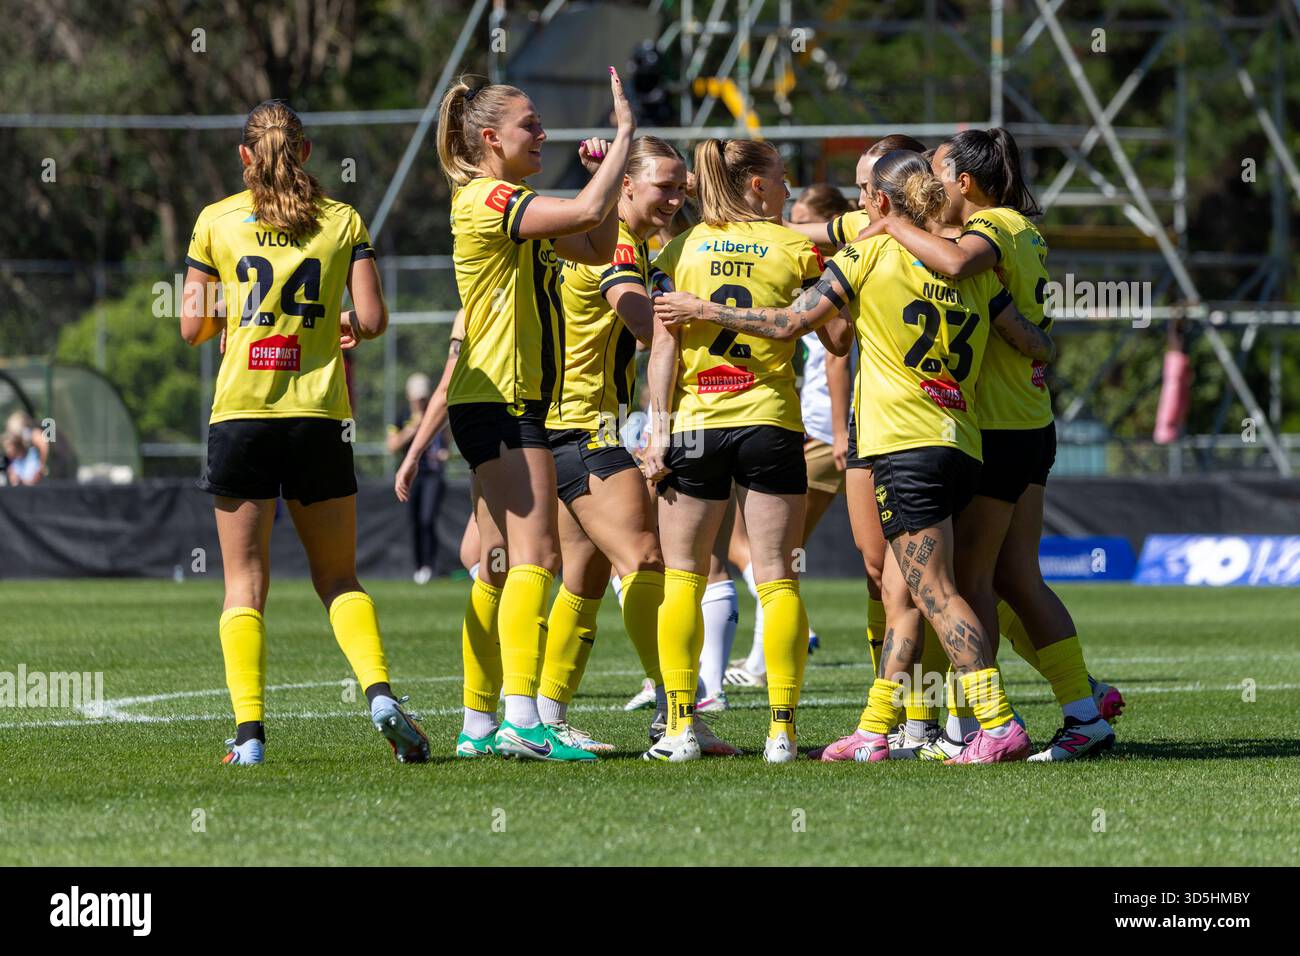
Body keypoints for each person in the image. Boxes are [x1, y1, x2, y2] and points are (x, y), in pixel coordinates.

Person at [655, 149, 1055, 764]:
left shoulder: (867, 255)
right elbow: (1034, 342)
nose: (860, 204)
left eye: (867, 195)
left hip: (901, 444)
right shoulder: (973, 268)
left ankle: (996, 721)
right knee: (902, 594)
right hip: (962, 441)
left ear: (884, 202)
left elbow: (792, 325)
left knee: (936, 592)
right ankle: (877, 728)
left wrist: (703, 309)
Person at [181, 98, 428, 766]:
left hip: (241, 416)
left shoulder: (215, 221)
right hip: (320, 419)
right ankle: (380, 695)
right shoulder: (342, 219)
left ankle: (249, 737)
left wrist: (237, 317)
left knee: (244, 585)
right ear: (307, 152)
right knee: (340, 578)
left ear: (244, 155)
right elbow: (371, 320)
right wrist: (336, 323)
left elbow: (193, 327)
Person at [864, 128, 1120, 760]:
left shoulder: (991, 230)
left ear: (965, 183)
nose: (930, 186)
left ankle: (973, 727)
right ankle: (1083, 708)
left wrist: (891, 222)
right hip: (1029, 420)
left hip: (997, 424)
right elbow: (1031, 335)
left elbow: (952, 264)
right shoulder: (1024, 229)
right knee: (1014, 577)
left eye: (938, 174)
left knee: (970, 582)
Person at [435, 68, 636, 761]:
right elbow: (581, 215)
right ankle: (523, 718)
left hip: (498, 399)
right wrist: (623, 138)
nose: (542, 133)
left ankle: (478, 724)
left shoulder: (508, 200)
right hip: (501, 398)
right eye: (530, 125)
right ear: (490, 138)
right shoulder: (490, 196)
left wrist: (606, 175)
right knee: (537, 555)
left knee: (497, 564)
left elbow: (597, 244)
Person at [642, 137, 851, 764]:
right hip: (771, 423)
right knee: (778, 578)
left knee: (682, 577)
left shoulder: (680, 249)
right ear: (757, 185)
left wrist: (657, 430)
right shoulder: (796, 248)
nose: (788, 188)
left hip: (695, 425)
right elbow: (838, 340)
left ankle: (680, 728)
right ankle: (782, 733)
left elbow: (663, 347)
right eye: (783, 178)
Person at [725, 182, 856, 685]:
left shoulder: (830, 273)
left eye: (802, 219)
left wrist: (839, 433)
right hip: (821, 427)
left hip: (824, 430)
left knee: (776, 556)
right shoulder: (815, 268)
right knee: (770, 552)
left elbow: (836, 360)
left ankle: (765, 664)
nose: (793, 225)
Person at [389, 372, 449, 584]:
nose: (420, 402)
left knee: (427, 518)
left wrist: (444, 453)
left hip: (433, 474)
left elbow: (446, 441)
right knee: (414, 521)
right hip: (410, 476)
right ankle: (418, 566)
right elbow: (392, 445)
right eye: (417, 399)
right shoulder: (402, 416)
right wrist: (413, 427)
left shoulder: (436, 414)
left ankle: (429, 566)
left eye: (423, 398)